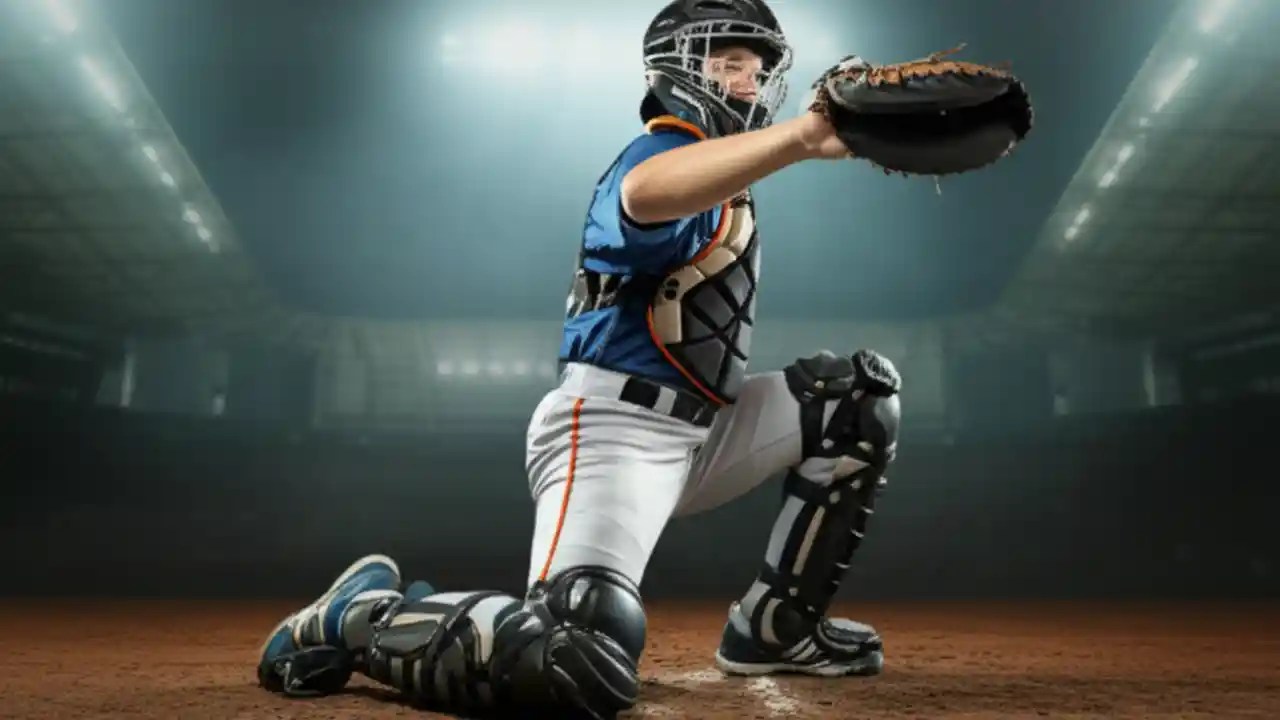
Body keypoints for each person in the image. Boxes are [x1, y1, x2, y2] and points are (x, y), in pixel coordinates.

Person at [256, 1, 901, 718]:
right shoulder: (655, 153)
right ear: (677, 69)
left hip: (702, 432)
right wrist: (805, 138)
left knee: (857, 399)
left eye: (756, 70)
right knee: (575, 652)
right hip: (611, 430)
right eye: (727, 64)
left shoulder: (723, 176)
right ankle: (354, 616)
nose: (747, 84)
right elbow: (644, 197)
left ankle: (776, 630)